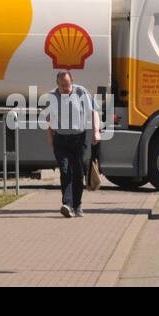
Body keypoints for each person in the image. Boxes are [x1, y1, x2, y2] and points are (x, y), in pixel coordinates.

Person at [45, 70, 101, 217]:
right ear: (58, 84)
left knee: (78, 172)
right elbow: (49, 118)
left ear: (72, 81)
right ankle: (67, 204)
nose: (66, 88)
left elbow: (94, 111)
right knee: (65, 171)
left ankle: (78, 205)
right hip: (61, 139)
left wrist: (96, 131)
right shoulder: (52, 96)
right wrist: (50, 137)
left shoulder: (81, 92)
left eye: (68, 84)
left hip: (79, 138)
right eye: (63, 85)